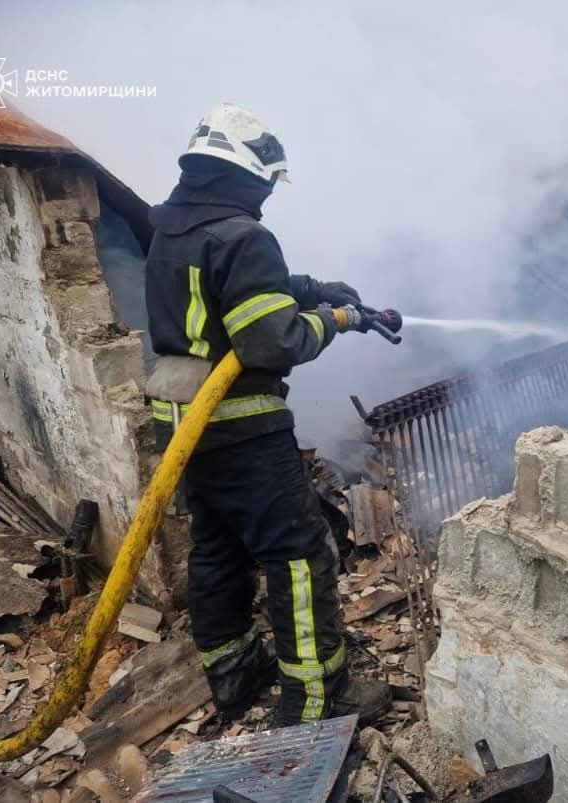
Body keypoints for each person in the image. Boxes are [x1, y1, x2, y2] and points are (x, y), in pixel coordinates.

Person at [144, 102, 390, 726]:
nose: (267, 196)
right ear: (246, 172)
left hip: (185, 423)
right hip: (240, 421)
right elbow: (270, 342)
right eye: (267, 183)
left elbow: (231, 287)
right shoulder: (245, 235)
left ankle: (234, 674)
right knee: (298, 556)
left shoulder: (173, 223)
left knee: (218, 548)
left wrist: (312, 287)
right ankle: (316, 698)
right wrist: (336, 318)